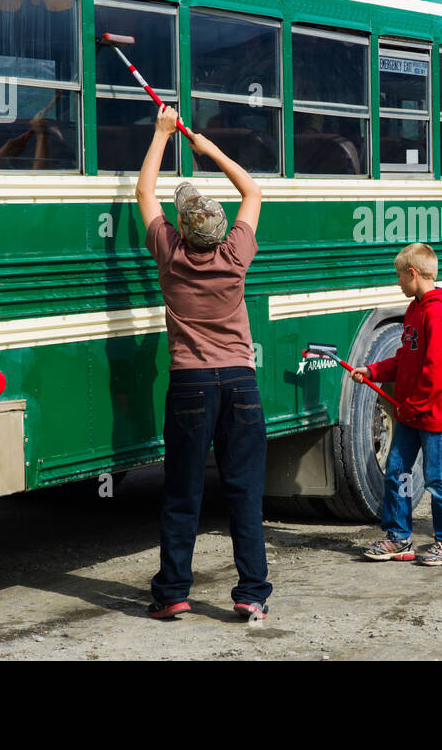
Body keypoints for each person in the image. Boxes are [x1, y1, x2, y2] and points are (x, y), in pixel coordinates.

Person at [137, 104, 272, 621]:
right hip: (240, 383)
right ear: (219, 229)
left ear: (182, 228)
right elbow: (253, 191)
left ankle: (173, 592)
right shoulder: (236, 254)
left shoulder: (170, 254)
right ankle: (251, 594)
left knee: (182, 490)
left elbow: (144, 193)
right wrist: (208, 149)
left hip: (190, 384)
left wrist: (161, 134)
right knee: (243, 491)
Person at [352, 243, 442, 566]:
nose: (398, 283)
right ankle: (398, 537)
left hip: (432, 413)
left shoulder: (436, 313)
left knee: (436, 477)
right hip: (413, 411)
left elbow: (439, 370)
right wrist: (374, 371)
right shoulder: (417, 309)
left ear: (413, 274)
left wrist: (414, 404)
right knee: (397, 471)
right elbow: (406, 358)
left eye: (400, 277)